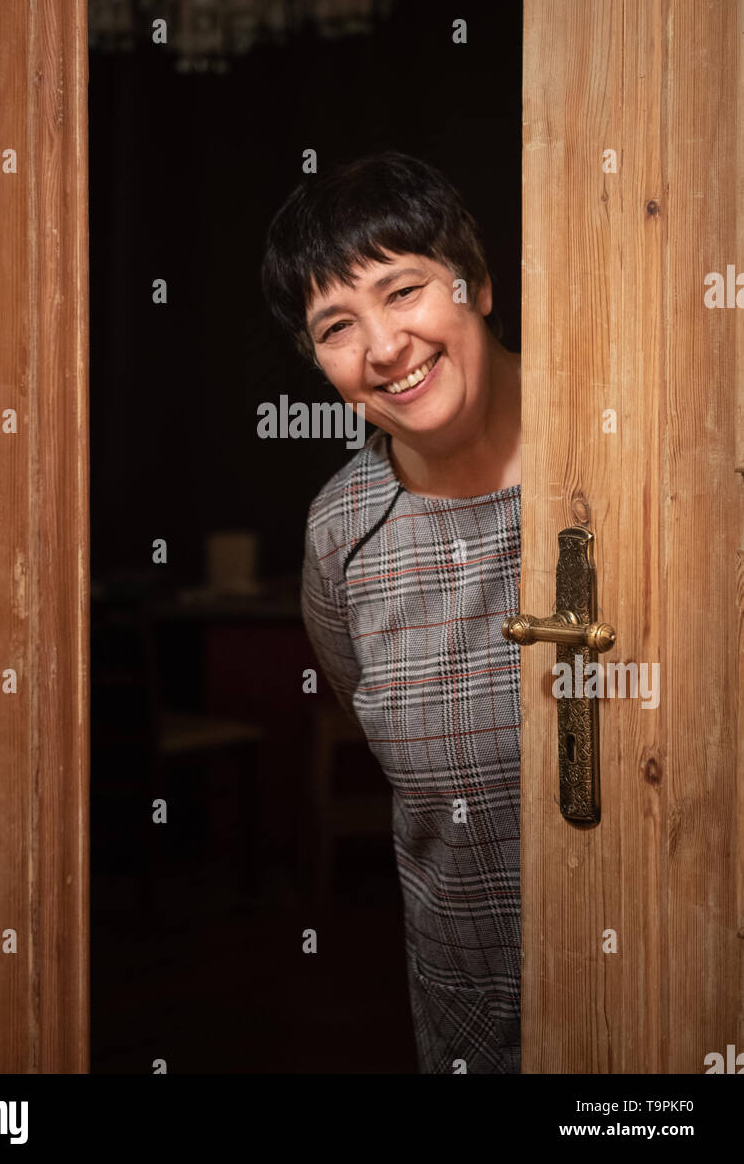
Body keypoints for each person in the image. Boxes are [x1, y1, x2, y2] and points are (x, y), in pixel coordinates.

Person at [261, 151, 522, 1074]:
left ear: (477, 283)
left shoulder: (631, 442)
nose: (381, 347)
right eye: (337, 325)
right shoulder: (340, 534)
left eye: (403, 290)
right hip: (471, 1022)